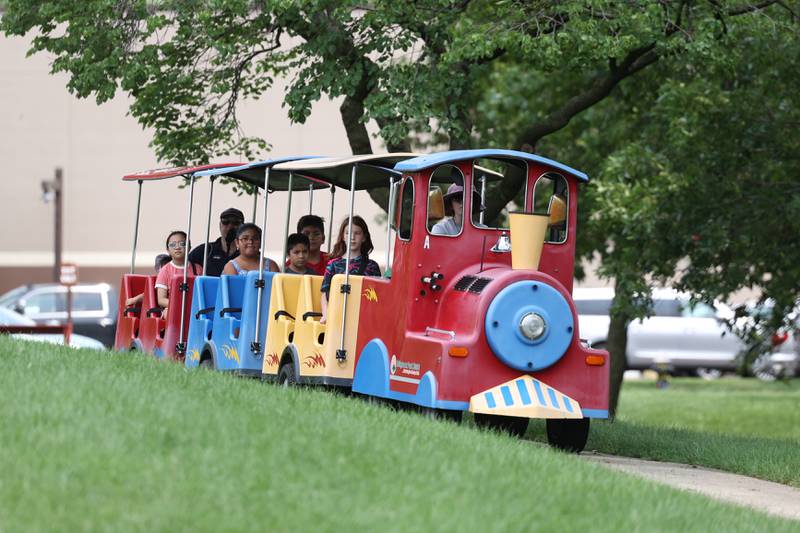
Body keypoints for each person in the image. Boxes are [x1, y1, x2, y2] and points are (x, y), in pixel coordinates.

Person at [320, 216, 381, 324]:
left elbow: (376, 296)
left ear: (364, 237)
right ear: (343, 236)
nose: (352, 237)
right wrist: (326, 314)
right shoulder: (333, 264)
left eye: (357, 233)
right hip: (337, 317)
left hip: (362, 318)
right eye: (348, 233)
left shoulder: (372, 266)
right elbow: (325, 293)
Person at [188, 207, 244, 276]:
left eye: (236, 223)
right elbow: (183, 265)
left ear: (242, 227)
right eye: (225, 222)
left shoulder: (248, 253)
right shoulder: (205, 250)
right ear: (220, 225)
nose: (230, 226)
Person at [155, 231, 198, 317]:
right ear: (168, 250)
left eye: (182, 243)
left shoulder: (197, 269)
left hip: (194, 307)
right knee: (169, 314)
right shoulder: (165, 270)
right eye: (173, 245)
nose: (177, 247)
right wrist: (179, 305)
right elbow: (161, 299)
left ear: (189, 247)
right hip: (172, 308)